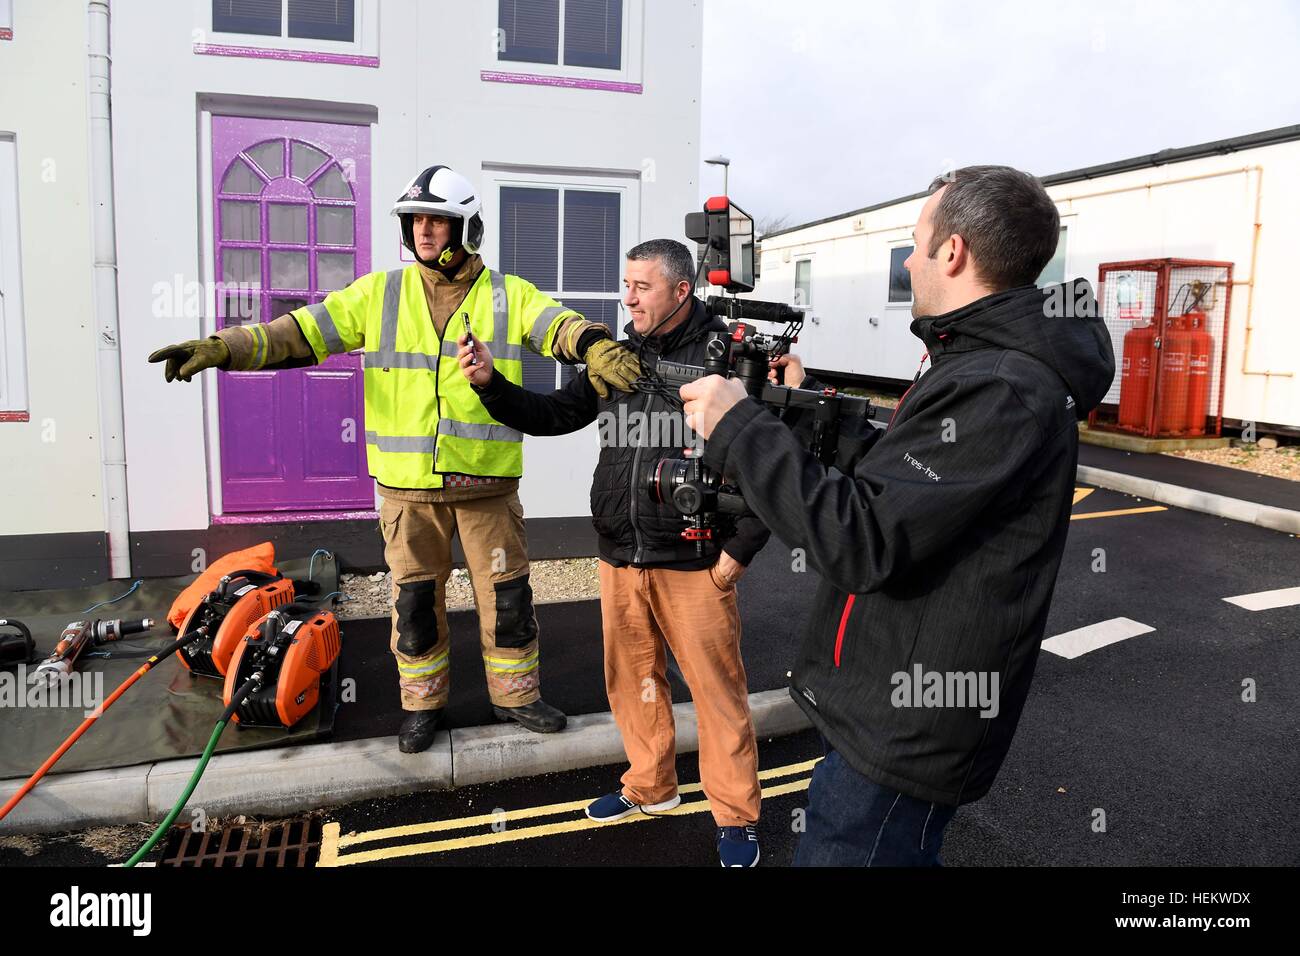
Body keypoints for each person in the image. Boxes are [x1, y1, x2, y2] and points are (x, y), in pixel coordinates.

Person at [679, 165, 1116, 865]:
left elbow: (864, 539)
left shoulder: (1001, 384)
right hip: (884, 708)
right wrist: (813, 425)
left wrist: (739, 428)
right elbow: (910, 489)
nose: (909, 260)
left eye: (914, 243)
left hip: (903, 730)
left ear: (954, 252)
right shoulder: (974, 361)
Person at [149, 165, 641, 753]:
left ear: (467, 228)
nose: (425, 232)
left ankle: (516, 697)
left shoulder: (508, 295)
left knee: (508, 601)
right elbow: (298, 331)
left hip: (487, 489)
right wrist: (222, 347)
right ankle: (421, 707)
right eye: (417, 221)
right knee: (415, 609)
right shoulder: (378, 294)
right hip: (409, 496)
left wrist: (598, 345)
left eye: (438, 220)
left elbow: (560, 326)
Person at [457, 239, 770, 867]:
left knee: (717, 693)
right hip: (620, 553)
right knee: (632, 681)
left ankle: (737, 816)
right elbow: (552, 415)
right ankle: (651, 786)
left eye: (641, 287)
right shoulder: (616, 355)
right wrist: (492, 383)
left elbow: (768, 458)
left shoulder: (726, 361)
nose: (627, 298)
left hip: (695, 559)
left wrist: (740, 549)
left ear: (681, 291)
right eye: (625, 285)